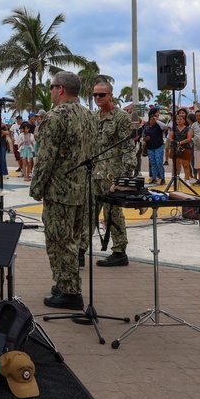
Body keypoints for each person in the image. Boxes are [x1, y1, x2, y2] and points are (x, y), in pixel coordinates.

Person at [30, 71, 96, 310]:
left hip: (60, 190)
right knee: (73, 240)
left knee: (59, 241)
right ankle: (65, 282)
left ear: (60, 89)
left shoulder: (56, 116)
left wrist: (37, 186)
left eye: (51, 87)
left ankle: (70, 292)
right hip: (82, 189)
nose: (50, 92)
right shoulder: (89, 115)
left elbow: (46, 157)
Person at [81, 81, 136, 268]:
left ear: (111, 95)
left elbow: (129, 147)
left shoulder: (121, 117)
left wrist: (126, 176)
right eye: (95, 95)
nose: (97, 98)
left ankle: (119, 251)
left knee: (112, 213)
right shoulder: (93, 116)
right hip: (94, 171)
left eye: (101, 95)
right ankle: (81, 250)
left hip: (112, 174)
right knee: (88, 211)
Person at [141, 109, 167, 185]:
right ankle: (154, 178)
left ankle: (162, 178)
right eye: (151, 119)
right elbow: (143, 136)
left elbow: (164, 127)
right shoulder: (147, 127)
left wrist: (157, 120)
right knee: (153, 164)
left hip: (158, 147)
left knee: (159, 163)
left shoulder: (158, 126)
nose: (152, 121)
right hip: (150, 147)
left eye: (154, 119)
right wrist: (145, 139)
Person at [168, 108, 193, 182]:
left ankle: (187, 180)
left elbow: (189, 138)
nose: (179, 120)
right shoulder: (174, 129)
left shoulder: (188, 129)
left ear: (184, 120)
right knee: (175, 165)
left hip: (185, 148)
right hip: (175, 148)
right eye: (178, 119)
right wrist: (175, 143)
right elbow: (170, 137)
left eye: (181, 119)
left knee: (186, 165)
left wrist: (180, 143)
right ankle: (173, 179)